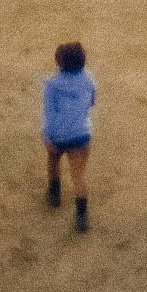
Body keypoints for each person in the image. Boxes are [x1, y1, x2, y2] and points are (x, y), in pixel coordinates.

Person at [39, 36, 96, 232]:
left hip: (57, 136)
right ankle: (81, 216)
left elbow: (49, 112)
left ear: (60, 62)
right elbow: (91, 101)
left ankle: (54, 194)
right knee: (79, 175)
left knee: (53, 162)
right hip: (81, 136)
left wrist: (47, 137)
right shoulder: (88, 78)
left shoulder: (51, 84)